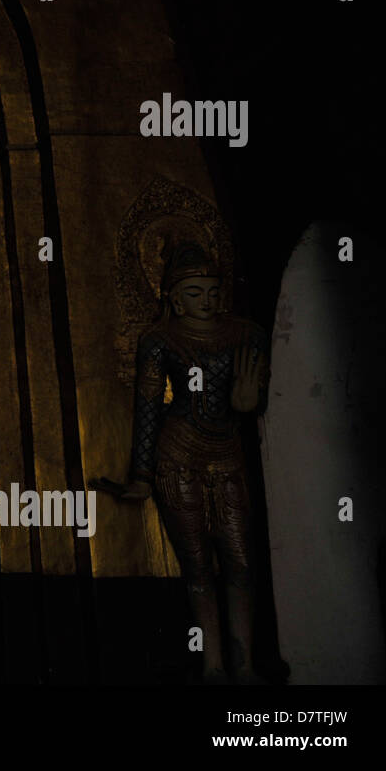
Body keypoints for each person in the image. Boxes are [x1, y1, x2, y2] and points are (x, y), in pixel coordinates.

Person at [117, 241, 268, 684]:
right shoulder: (160, 340)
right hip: (177, 453)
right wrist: (141, 475)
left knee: (240, 561)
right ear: (173, 298)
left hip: (228, 453)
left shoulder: (247, 334)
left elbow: (257, 398)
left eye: (212, 290)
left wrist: (247, 402)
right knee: (198, 565)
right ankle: (214, 665)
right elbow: (147, 406)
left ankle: (245, 663)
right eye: (195, 292)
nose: (207, 300)